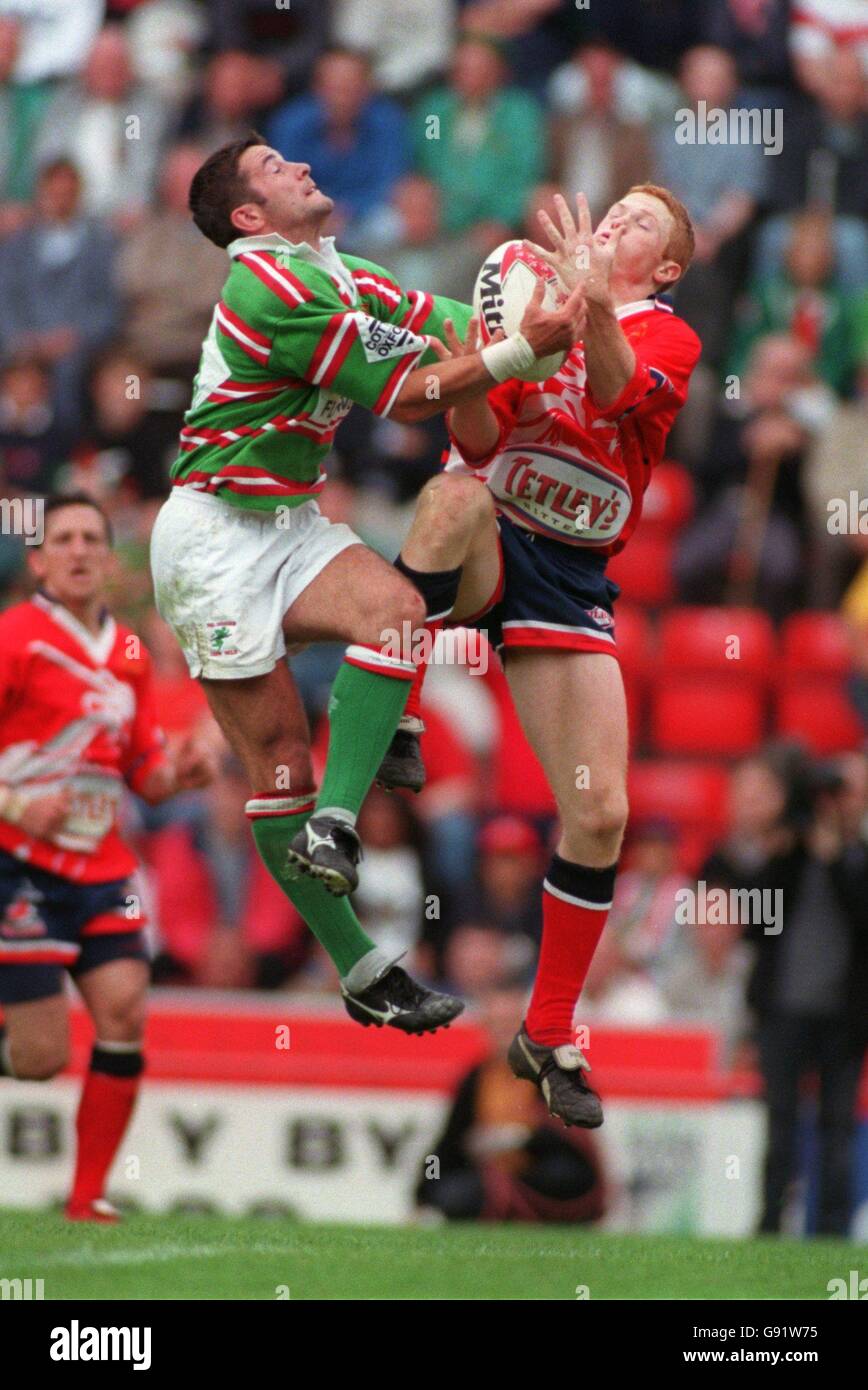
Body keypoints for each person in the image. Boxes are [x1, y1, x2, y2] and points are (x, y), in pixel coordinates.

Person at [149, 132, 584, 1035]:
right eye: (275, 168)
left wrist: (567, 313)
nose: (300, 167)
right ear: (248, 217)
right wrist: (514, 357)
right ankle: (356, 963)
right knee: (278, 767)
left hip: (289, 520)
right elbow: (414, 393)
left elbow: (453, 322)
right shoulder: (264, 284)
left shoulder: (342, 270)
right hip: (211, 539)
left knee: (394, 612)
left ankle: (340, 816)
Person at [383, 184, 701, 1125]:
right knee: (452, 496)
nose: (614, 224)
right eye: (614, 212)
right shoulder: (532, 293)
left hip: (568, 570)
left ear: (669, 267)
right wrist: (481, 368)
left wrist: (587, 307)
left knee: (602, 812)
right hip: (495, 525)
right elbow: (479, 439)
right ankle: (398, 708)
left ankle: (547, 1030)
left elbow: (613, 388)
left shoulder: (667, 336)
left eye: (640, 224)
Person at [0, 492, 216, 1222]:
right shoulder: (15, 637)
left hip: (101, 866)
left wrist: (179, 771)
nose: (80, 549)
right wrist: (16, 802)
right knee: (39, 1059)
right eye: (63, 538)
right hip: (18, 863)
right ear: (39, 559)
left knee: (123, 1011)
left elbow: (143, 769)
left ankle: (86, 1196)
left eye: (93, 537)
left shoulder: (127, 648)